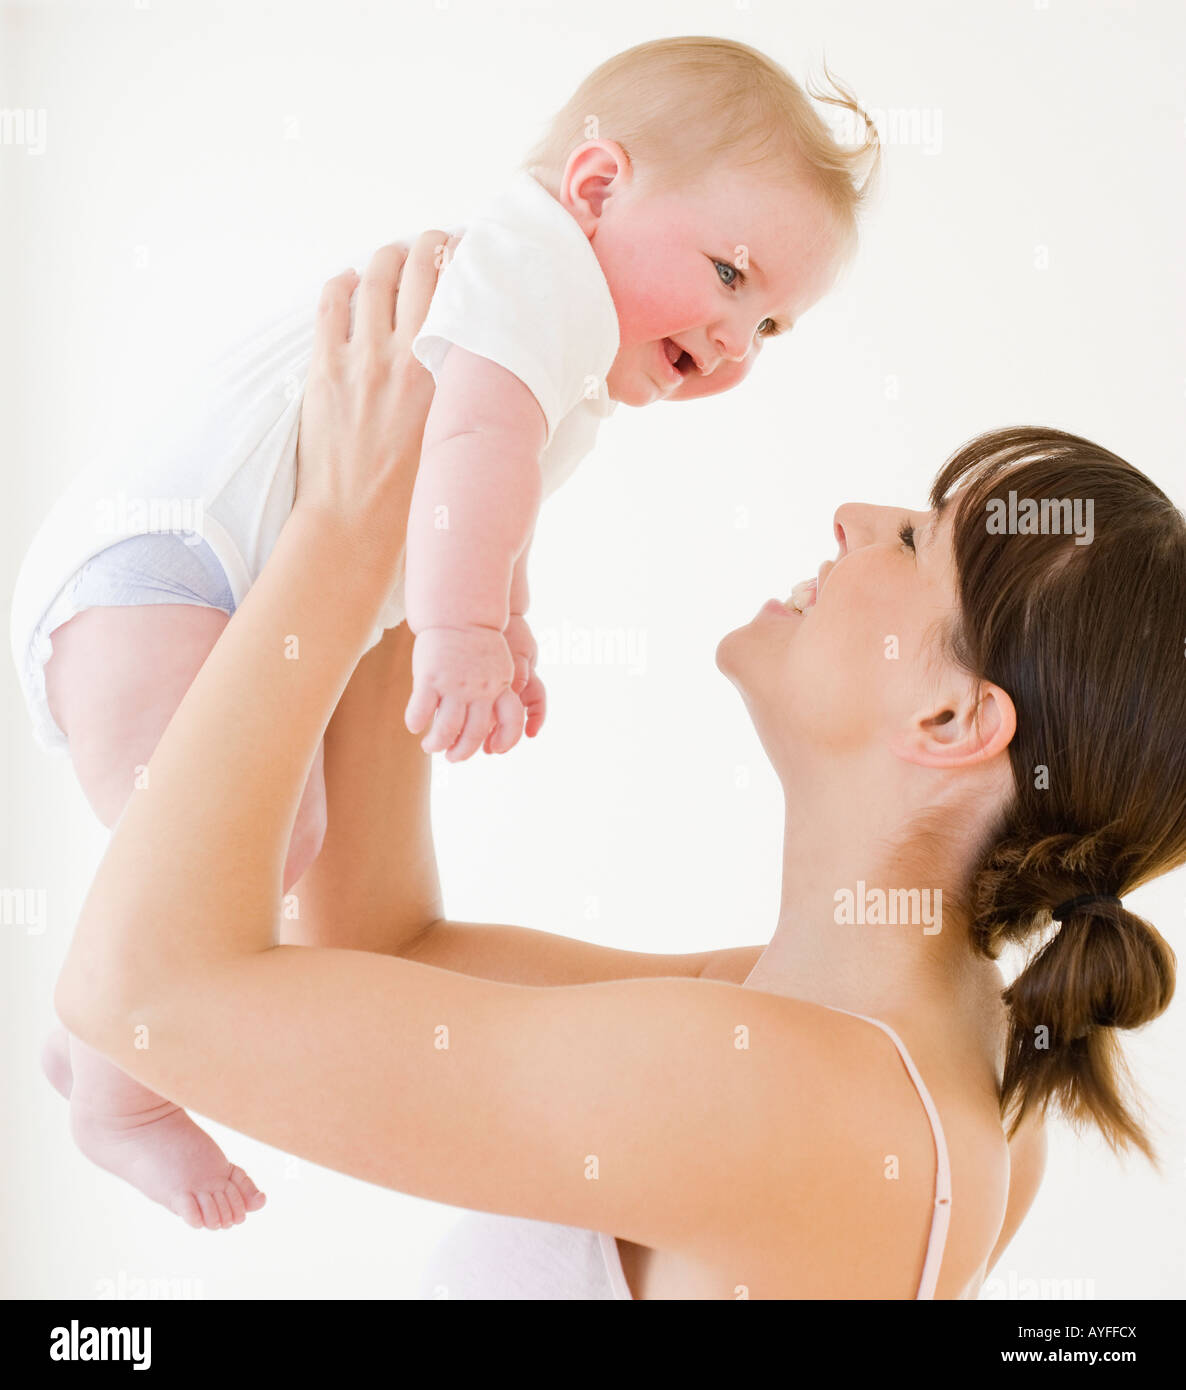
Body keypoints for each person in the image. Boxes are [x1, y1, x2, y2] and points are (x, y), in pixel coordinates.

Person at [54, 236, 1183, 1298]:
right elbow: (381, 949)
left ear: (949, 717)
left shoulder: (772, 1091)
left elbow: (136, 999)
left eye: (911, 541)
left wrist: (344, 527)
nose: (852, 517)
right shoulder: (905, 1042)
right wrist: (445, 554)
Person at [15, 36, 878, 1225]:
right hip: (166, 569)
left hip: (181, 580)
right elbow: (470, 455)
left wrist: (498, 617)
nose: (736, 339)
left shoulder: (543, 333)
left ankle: (89, 1050)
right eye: (731, 274)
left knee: (258, 840)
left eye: (771, 326)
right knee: (245, 850)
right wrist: (465, 628)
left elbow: (474, 490)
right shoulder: (536, 281)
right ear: (595, 187)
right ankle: (119, 1093)